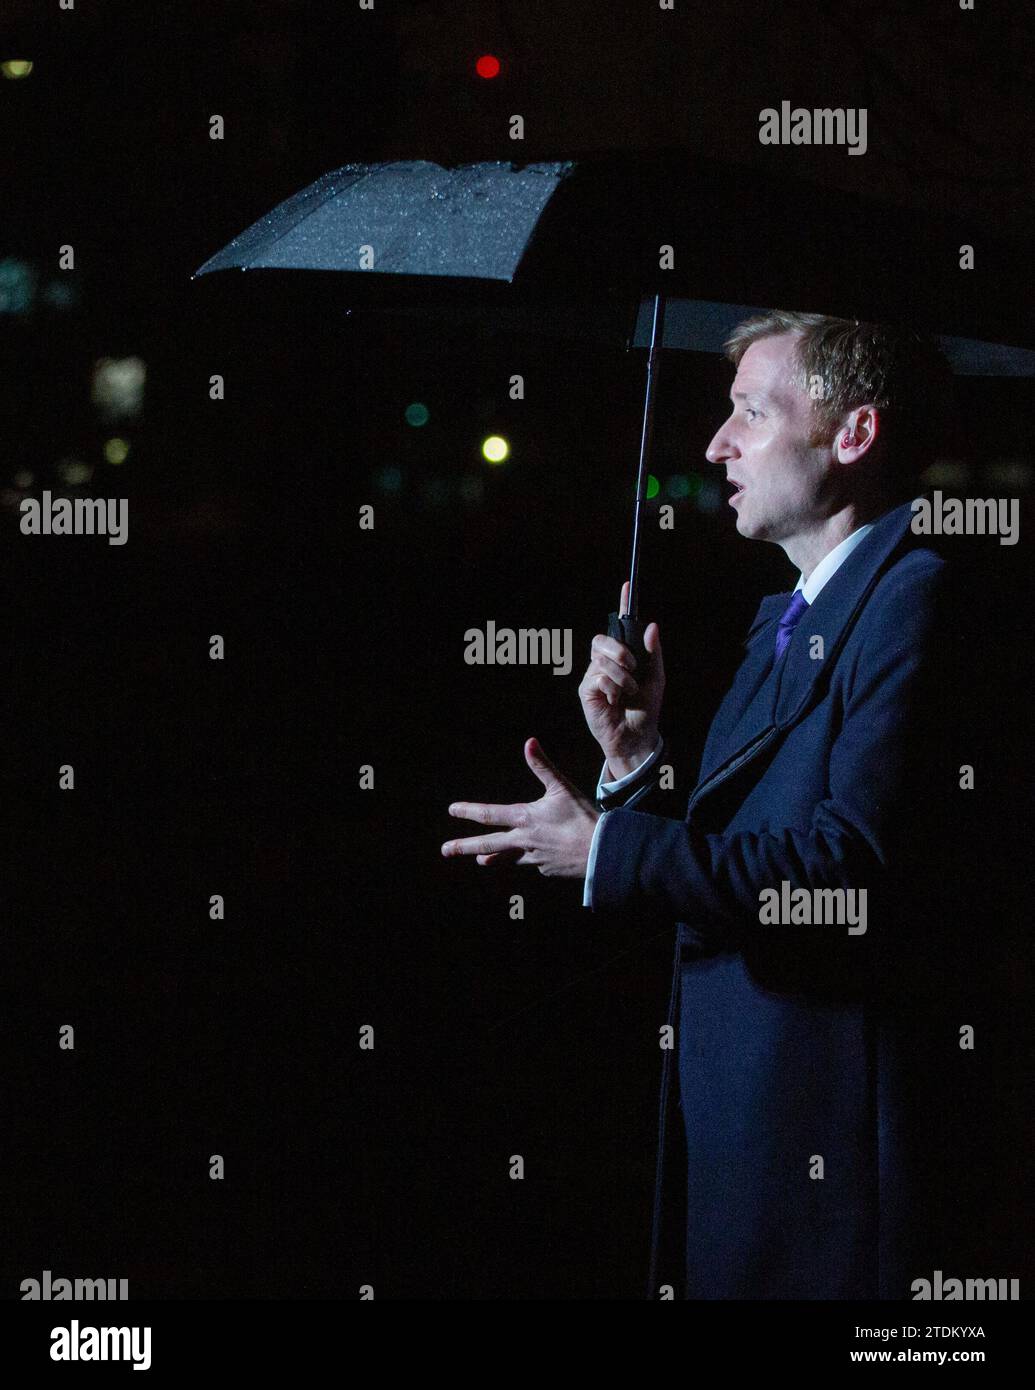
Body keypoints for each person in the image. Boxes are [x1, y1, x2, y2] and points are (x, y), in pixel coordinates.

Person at [441, 311, 1004, 1299]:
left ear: (855, 434)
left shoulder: (915, 599)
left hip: (832, 1171)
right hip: (755, 1139)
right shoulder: (793, 611)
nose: (716, 443)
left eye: (750, 410)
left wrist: (613, 848)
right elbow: (745, 847)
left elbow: (843, 874)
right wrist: (642, 760)